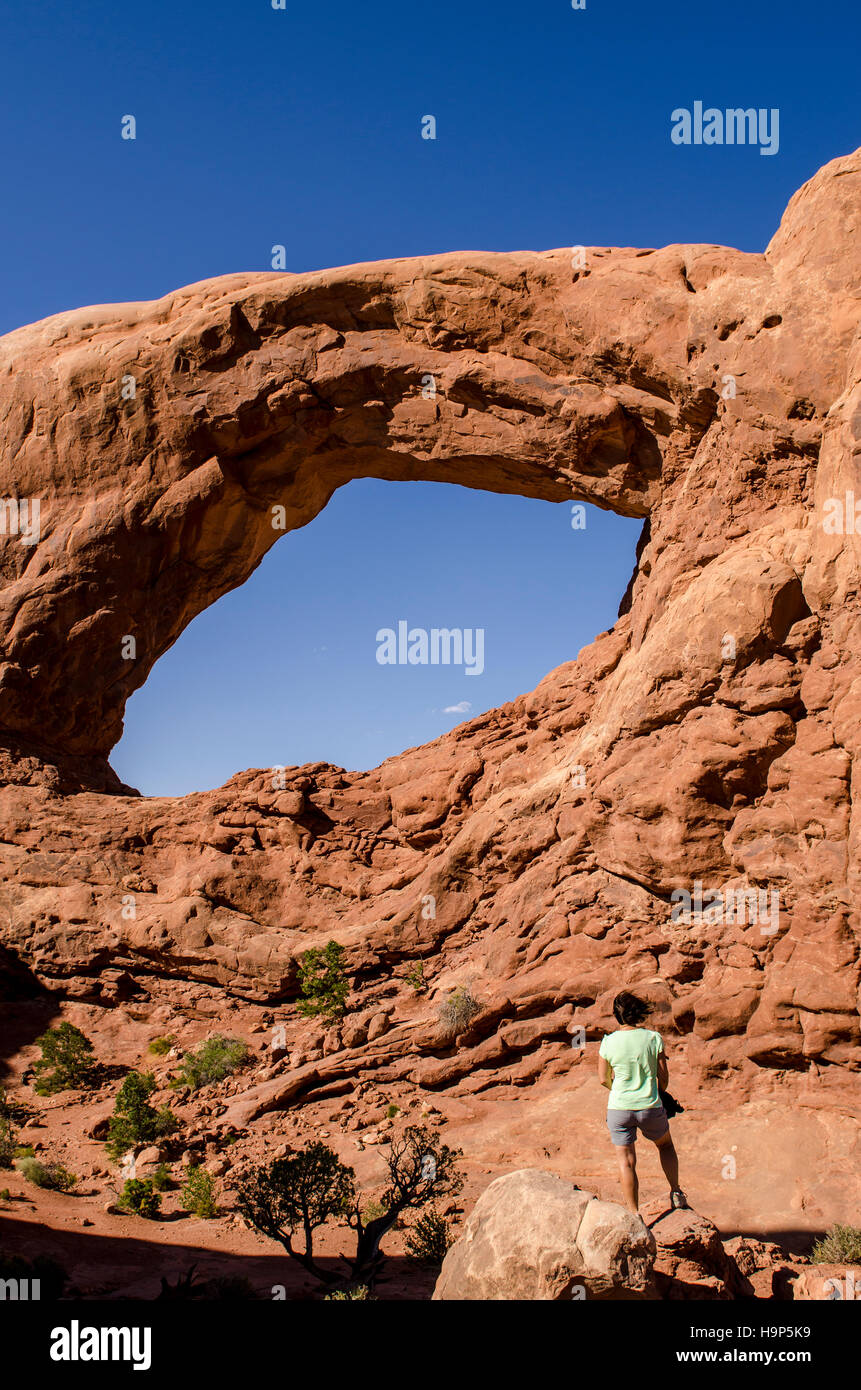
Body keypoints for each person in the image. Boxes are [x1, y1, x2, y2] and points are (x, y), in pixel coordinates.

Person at [598, 990, 688, 1216]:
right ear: (636, 1013)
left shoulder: (608, 1042)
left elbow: (602, 1078)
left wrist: (618, 1089)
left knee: (626, 1162)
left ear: (616, 1016)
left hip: (619, 1108)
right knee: (665, 1145)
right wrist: (656, 1092)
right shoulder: (653, 1038)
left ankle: (634, 1213)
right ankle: (676, 1193)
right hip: (649, 1105)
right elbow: (663, 1078)